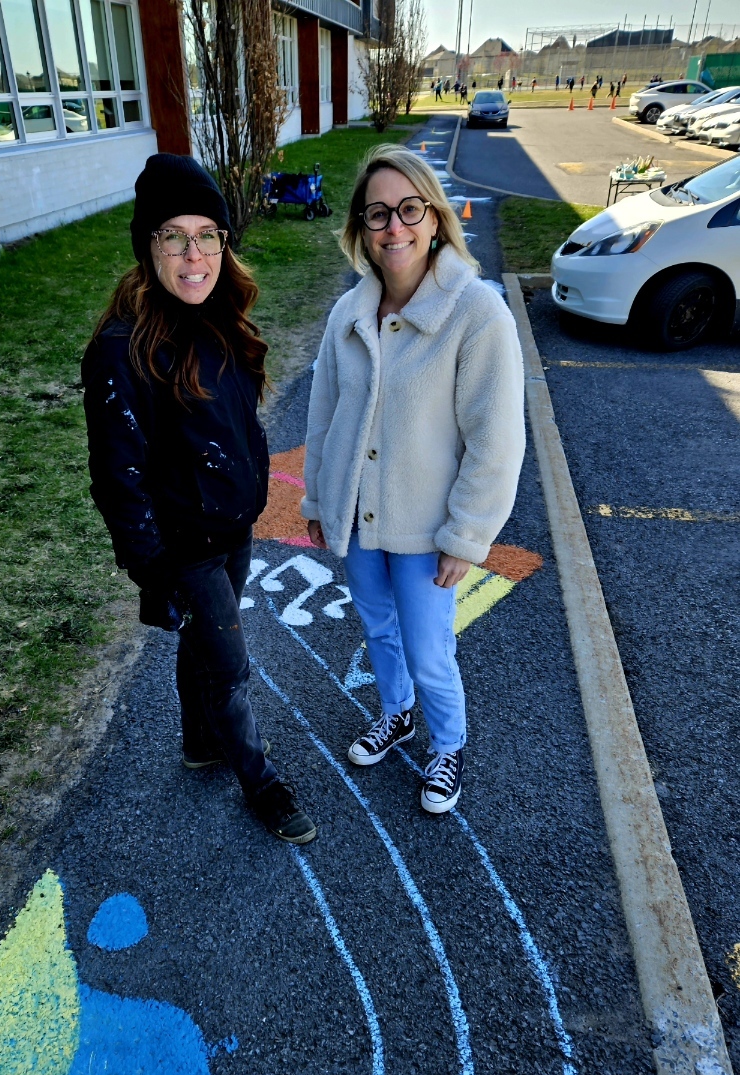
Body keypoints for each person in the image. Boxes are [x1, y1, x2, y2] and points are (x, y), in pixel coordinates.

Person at [82, 153, 317, 845]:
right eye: (174, 236)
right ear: (147, 246)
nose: (194, 255)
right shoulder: (121, 350)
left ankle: (198, 741)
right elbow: (117, 476)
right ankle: (260, 781)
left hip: (233, 529)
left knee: (205, 649)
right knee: (231, 669)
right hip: (185, 547)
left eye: (207, 235)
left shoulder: (222, 321)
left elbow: (240, 425)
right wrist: (153, 570)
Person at [302, 146, 524, 814]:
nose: (393, 227)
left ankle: (447, 745)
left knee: (430, 651)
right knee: (378, 631)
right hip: (359, 518)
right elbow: (323, 415)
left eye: (408, 209)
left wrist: (468, 535)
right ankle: (396, 715)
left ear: (435, 219)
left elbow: (496, 438)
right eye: (377, 214)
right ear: (360, 228)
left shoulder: (476, 313)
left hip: (429, 530)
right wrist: (317, 498)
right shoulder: (348, 314)